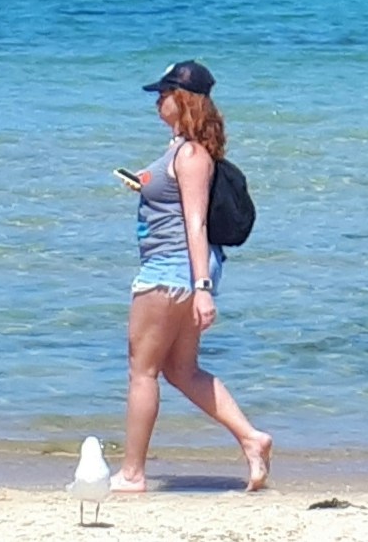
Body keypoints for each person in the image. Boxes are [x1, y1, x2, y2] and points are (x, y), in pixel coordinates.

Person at [115, 59, 272, 493]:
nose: (157, 102)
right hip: (177, 270)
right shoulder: (182, 150)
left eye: (163, 94)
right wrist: (144, 183)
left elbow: (196, 224)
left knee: (141, 371)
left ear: (182, 100)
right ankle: (252, 439)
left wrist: (203, 289)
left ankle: (132, 473)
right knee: (181, 370)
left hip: (171, 271)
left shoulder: (191, 155)